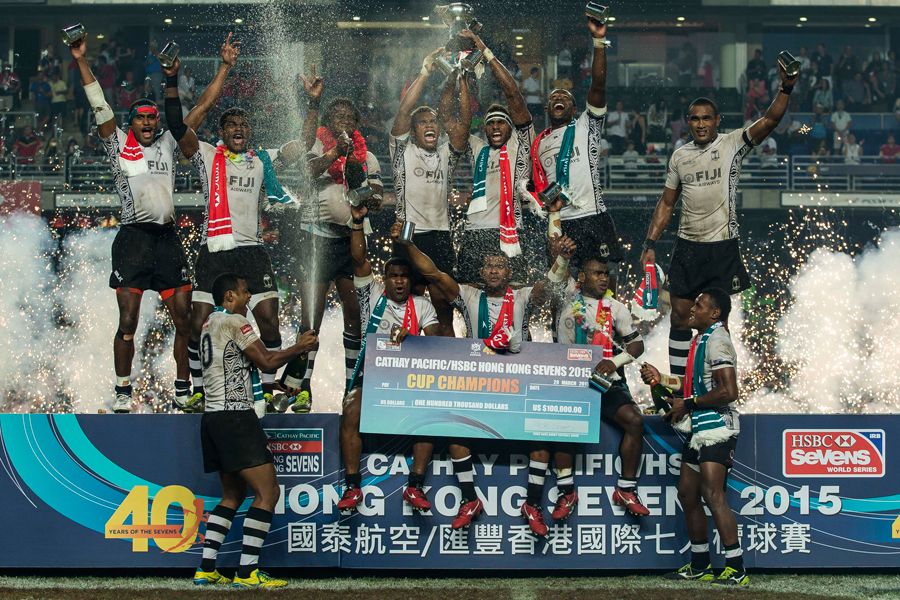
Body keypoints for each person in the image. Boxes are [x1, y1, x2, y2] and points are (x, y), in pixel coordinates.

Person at [71, 33, 240, 413]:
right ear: (131, 123)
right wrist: (81, 60)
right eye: (141, 118)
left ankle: (182, 389)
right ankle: (122, 391)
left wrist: (225, 67)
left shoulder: (167, 142)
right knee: (128, 321)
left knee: (185, 322)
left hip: (166, 240)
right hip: (133, 240)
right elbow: (98, 102)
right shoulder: (117, 143)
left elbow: (203, 107)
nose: (147, 122)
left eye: (152, 117)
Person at [167, 51, 307, 412]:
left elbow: (300, 147)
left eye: (244, 124)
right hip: (214, 250)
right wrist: (222, 69)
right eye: (231, 125)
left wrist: (311, 106)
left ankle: (268, 393)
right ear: (222, 132)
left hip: (251, 251)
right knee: (198, 324)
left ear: (250, 132)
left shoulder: (262, 159)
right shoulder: (207, 155)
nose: (239, 129)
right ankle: (200, 391)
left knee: (269, 323)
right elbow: (178, 126)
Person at [640, 60, 796, 383]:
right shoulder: (679, 156)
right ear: (688, 122)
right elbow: (667, 202)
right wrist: (650, 242)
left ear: (717, 121)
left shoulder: (732, 143)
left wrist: (785, 88)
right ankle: (680, 387)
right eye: (695, 119)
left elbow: (770, 120)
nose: (700, 124)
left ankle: (718, 384)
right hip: (688, 246)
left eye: (706, 118)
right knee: (679, 317)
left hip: (721, 247)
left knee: (716, 321)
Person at [403, 211, 556, 529]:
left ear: (509, 271)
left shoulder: (523, 297)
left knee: (542, 437)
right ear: (482, 272)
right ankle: (470, 498)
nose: (495, 270)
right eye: (489, 266)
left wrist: (562, 259)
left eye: (500, 266)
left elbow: (552, 285)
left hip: (518, 381)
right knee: (455, 434)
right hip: (479, 383)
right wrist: (407, 243)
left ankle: (532, 504)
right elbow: (432, 274)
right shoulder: (469, 295)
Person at [193, 273, 318, 589]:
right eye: (245, 291)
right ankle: (248, 572)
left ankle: (206, 569)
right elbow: (266, 361)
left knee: (233, 495)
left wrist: (277, 387)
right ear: (229, 297)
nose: (249, 297)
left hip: (213, 419)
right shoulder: (235, 322)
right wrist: (299, 346)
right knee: (268, 493)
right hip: (236, 418)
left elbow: (233, 367)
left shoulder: (209, 324)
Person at [280, 88, 383, 412]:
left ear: (356, 124)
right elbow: (307, 173)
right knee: (312, 318)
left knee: (355, 316)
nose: (345, 121)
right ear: (329, 121)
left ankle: (352, 389)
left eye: (350, 118)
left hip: (352, 240)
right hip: (317, 238)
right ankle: (301, 387)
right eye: (338, 116)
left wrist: (363, 189)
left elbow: (377, 198)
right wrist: (335, 152)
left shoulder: (366, 156)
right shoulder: (316, 145)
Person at [336, 203, 441, 514]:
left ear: (410, 280)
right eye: (393, 276)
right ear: (384, 279)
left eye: (404, 277)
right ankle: (352, 486)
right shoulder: (371, 296)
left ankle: (415, 485)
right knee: (351, 408)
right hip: (374, 379)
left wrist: (411, 340)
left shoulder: (422, 305)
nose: (399, 281)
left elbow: (435, 342)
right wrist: (357, 224)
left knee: (430, 415)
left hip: (410, 381)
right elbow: (359, 260)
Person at [640, 289, 746, 587]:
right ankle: (700, 564)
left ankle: (736, 567)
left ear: (715, 313)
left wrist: (686, 404)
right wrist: (661, 379)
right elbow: (693, 385)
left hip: (717, 428)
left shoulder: (718, 340)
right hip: (699, 427)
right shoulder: (701, 339)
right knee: (688, 493)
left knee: (713, 494)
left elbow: (729, 391)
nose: (692, 309)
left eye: (699, 305)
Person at [386, 48, 470, 334]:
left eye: (433, 121)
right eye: (423, 122)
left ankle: (445, 358)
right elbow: (403, 112)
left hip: (441, 235)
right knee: (406, 309)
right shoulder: (402, 152)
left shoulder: (446, 154)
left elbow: (463, 126)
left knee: (443, 309)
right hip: (409, 234)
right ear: (413, 131)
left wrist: (462, 80)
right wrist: (424, 73)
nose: (430, 125)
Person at [532, 16, 620, 273]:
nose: (558, 98)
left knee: (603, 277)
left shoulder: (586, 126)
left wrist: (599, 41)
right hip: (561, 221)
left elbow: (598, 85)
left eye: (565, 97)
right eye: (553, 97)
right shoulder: (539, 143)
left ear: (574, 108)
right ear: (547, 108)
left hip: (593, 214)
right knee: (560, 281)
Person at [456, 28, 540, 286]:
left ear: (511, 128)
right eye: (490, 123)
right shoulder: (478, 148)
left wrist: (485, 51)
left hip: (510, 230)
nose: (494, 127)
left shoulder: (519, 145)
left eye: (501, 122)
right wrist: (460, 77)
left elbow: (513, 94)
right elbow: (460, 120)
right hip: (475, 231)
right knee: (468, 292)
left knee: (515, 292)